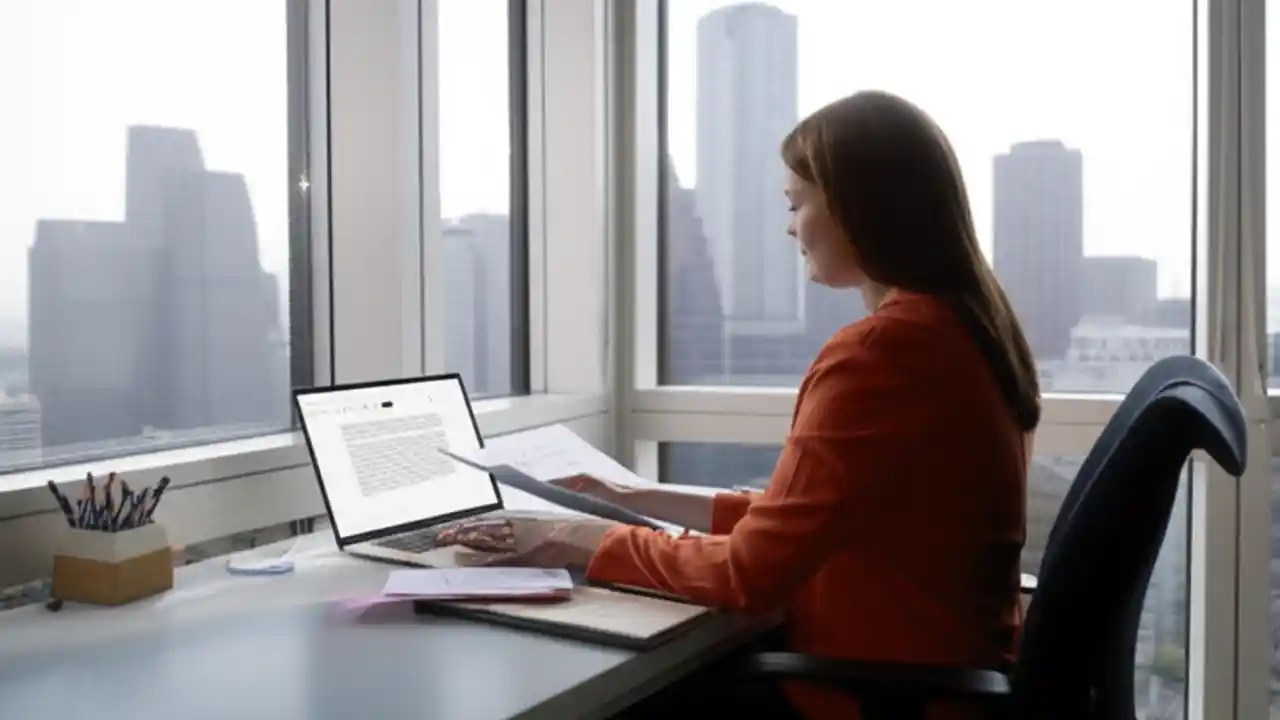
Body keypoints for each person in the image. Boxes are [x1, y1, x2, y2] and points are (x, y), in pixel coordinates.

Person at [438, 90, 1040, 719]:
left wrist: (573, 535)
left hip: (875, 694)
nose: (789, 225)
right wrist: (635, 497)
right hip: (944, 673)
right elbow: (822, 515)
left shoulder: (884, 352)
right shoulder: (964, 331)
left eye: (797, 202)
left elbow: (751, 573)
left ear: (859, 203)